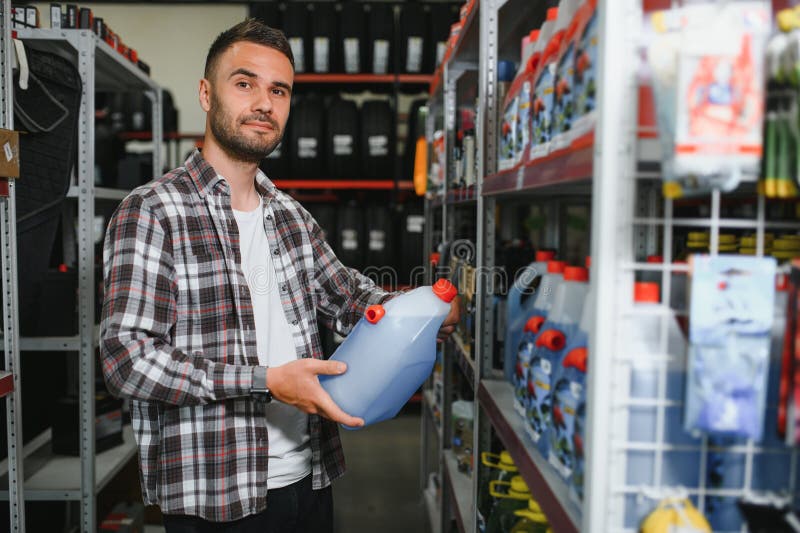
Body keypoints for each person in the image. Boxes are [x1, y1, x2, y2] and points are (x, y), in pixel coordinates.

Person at [99, 19, 459, 533]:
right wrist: (265, 382)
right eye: (244, 83)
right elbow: (126, 359)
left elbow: (349, 297)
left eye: (279, 90)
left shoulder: (289, 214)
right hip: (216, 495)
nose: (264, 103)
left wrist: (422, 308)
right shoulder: (153, 212)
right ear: (206, 93)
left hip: (310, 480)